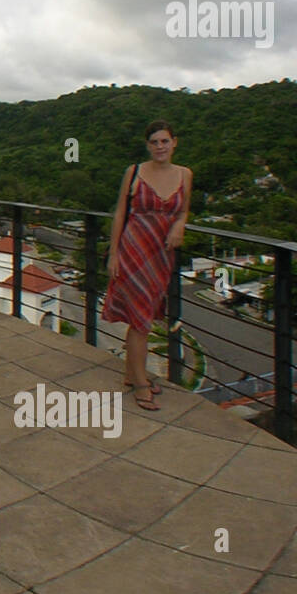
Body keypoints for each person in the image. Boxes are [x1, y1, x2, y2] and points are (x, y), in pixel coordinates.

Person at [102, 122, 192, 409]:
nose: (160, 146)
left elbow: (184, 209)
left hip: (161, 254)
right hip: (134, 250)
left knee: (146, 315)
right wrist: (113, 254)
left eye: (164, 141)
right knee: (140, 320)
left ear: (174, 142)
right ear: (148, 145)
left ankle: (131, 374)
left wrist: (180, 224)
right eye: (154, 142)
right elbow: (119, 214)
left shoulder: (185, 174)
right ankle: (141, 382)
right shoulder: (135, 172)